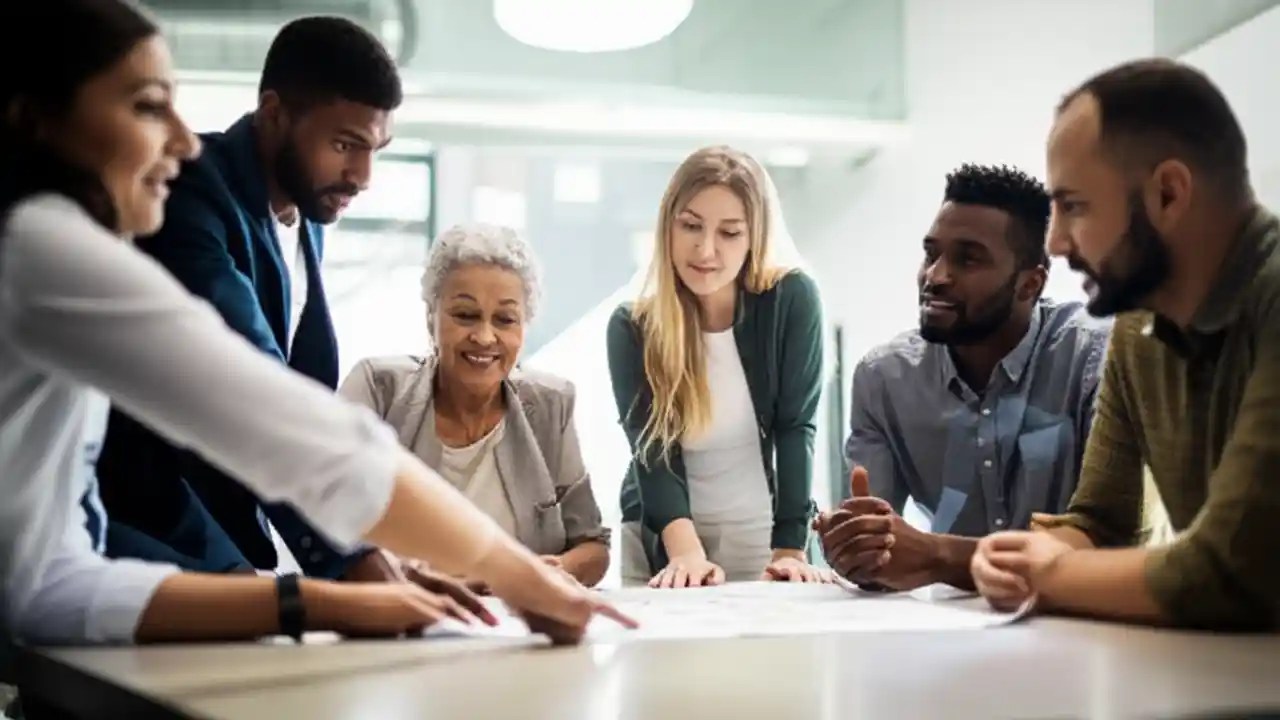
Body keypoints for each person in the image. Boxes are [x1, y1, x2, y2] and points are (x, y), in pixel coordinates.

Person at [0, 0, 632, 649]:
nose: (184, 140)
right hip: (172, 535)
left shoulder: (296, 223)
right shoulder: (43, 245)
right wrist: (511, 572)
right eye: (147, 105)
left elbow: (44, 584)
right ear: (35, 118)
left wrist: (315, 598)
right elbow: (281, 423)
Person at [971, 58, 1280, 631]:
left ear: (1167, 194)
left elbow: (1232, 569)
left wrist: (1049, 576)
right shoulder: (1138, 329)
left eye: (1074, 206)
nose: (1057, 243)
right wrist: (1013, 559)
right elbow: (1099, 523)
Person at [94, 15, 406, 581]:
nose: (363, 176)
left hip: (232, 544)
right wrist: (353, 559)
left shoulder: (306, 214)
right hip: (151, 534)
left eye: (376, 149)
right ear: (274, 114)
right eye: (345, 144)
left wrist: (363, 556)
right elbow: (260, 389)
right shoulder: (189, 193)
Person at [815, 164, 1111, 591]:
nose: (935, 277)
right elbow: (878, 551)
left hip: (1085, 627)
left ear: (1031, 283)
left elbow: (1105, 544)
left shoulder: (1092, 359)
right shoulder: (883, 379)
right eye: (931, 254)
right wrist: (856, 548)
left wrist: (937, 557)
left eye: (968, 259)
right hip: (951, 634)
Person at [339, 223, 611, 588]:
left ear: (524, 327)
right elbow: (331, 533)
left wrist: (553, 572)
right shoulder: (378, 389)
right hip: (402, 624)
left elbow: (593, 547)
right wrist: (479, 581)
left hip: (518, 630)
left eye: (505, 320)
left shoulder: (551, 405)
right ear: (430, 317)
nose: (484, 337)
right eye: (465, 315)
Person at [607, 145, 831, 588]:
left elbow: (795, 426)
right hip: (666, 538)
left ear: (754, 239)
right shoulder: (633, 326)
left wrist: (789, 548)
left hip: (765, 531)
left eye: (730, 233)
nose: (705, 249)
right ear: (667, 226)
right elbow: (652, 449)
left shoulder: (791, 299)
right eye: (690, 225)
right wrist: (686, 554)